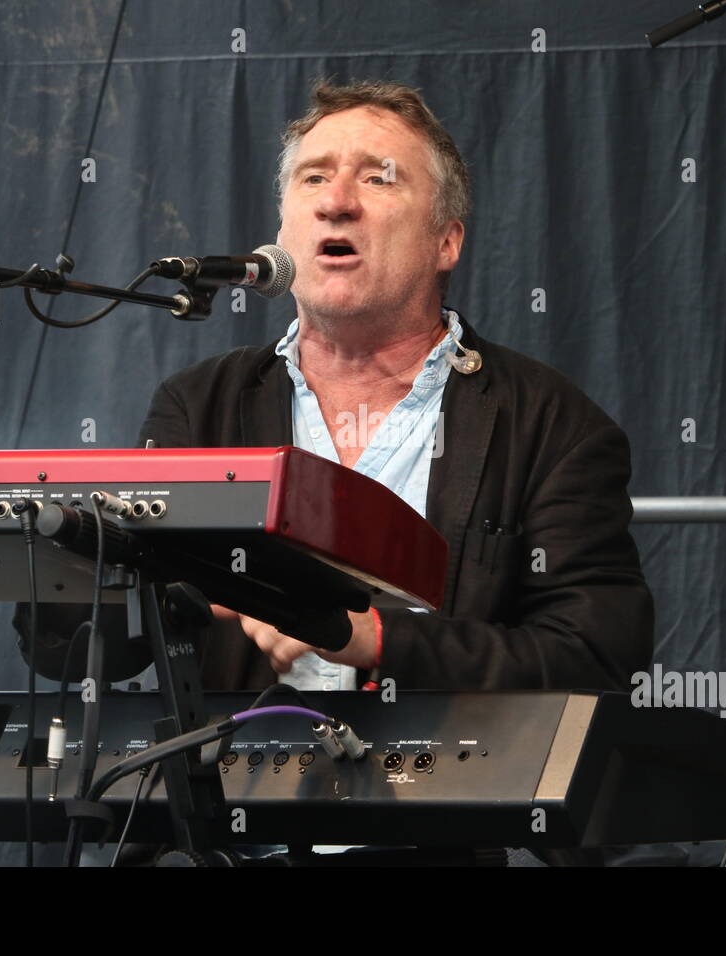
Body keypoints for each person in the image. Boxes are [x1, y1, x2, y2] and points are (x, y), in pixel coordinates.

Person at [134, 79, 653, 692]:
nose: (337, 202)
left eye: (379, 178)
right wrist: (81, 564)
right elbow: (84, 642)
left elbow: (597, 654)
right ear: (282, 229)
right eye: (314, 178)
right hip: (234, 780)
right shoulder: (199, 406)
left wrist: (377, 639)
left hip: (451, 785)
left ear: (446, 241)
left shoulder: (552, 426)